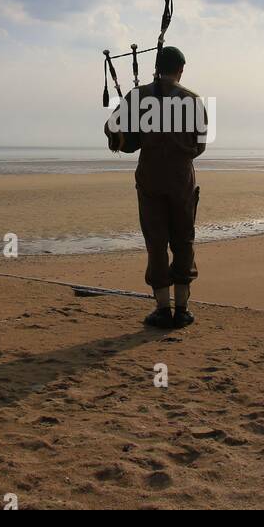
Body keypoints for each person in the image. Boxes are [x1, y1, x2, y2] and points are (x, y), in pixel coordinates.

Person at [104, 46, 207, 328]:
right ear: (181, 70)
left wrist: (133, 138)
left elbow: (112, 132)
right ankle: (182, 309)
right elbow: (200, 145)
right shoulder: (194, 100)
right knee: (184, 240)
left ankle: (163, 309)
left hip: (149, 178)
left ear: (156, 67)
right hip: (182, 181)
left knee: (156, 243)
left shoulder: (138, 96)